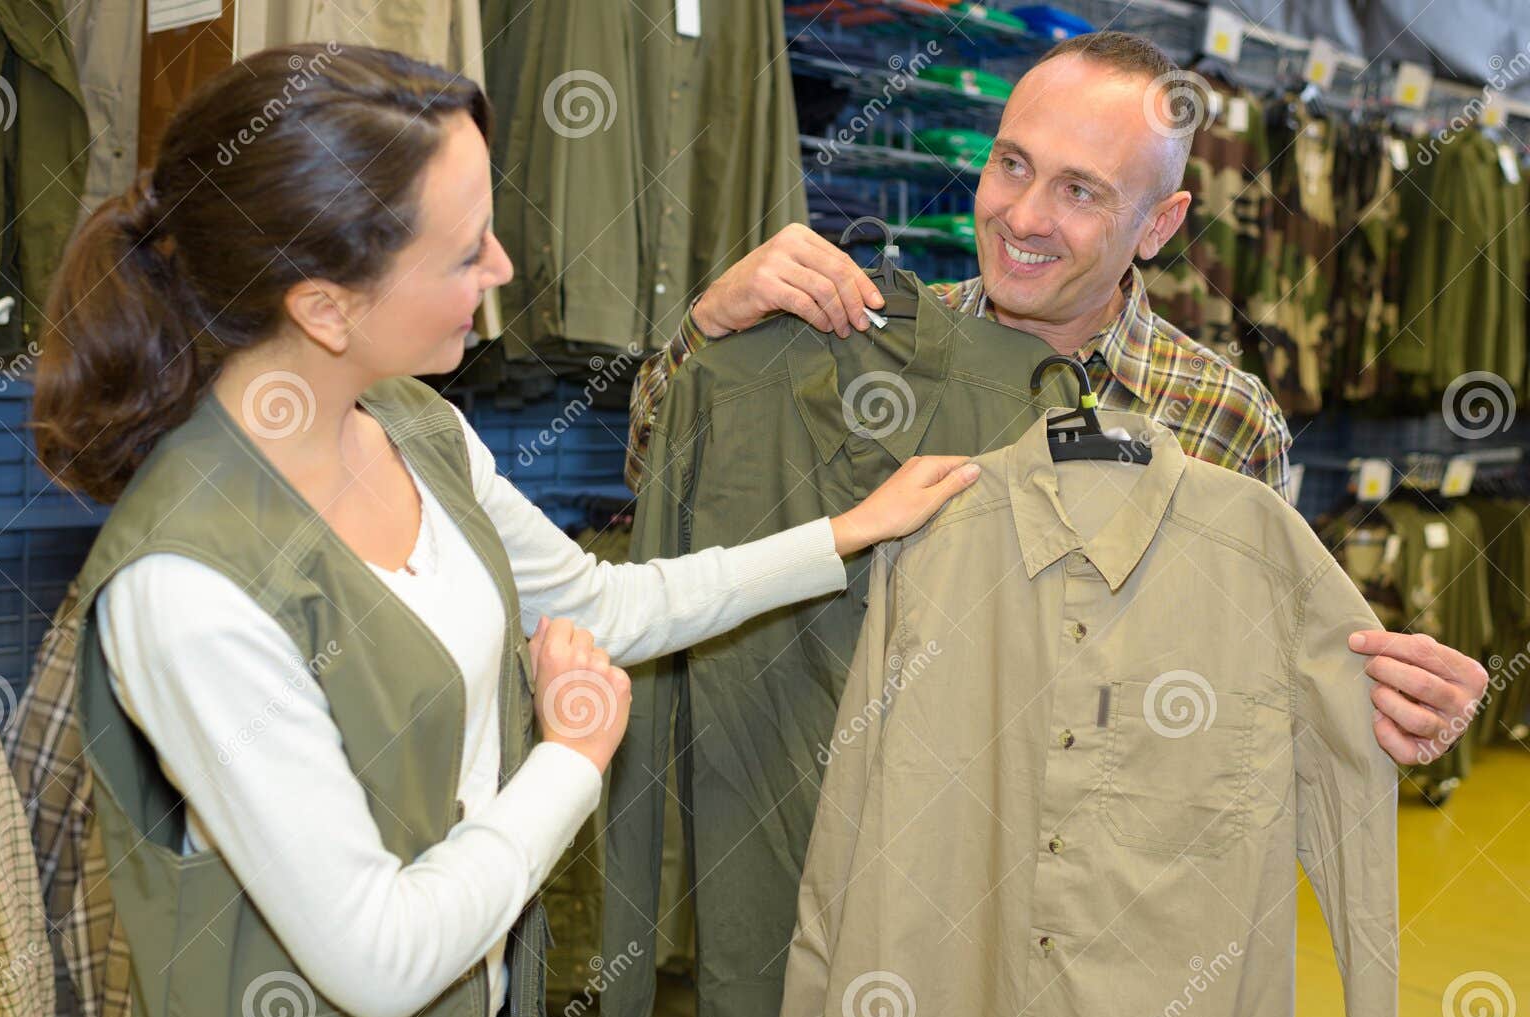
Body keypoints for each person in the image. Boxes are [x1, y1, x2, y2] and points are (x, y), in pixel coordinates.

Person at [30, 44, 979, 1017]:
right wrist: (571, 755)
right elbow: (381, 958)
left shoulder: (417, 430)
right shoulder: (187, 589)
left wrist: (843, 533)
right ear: (324, 306)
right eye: (464, 252)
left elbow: (603, 605)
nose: (503, 271)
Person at [627, 31, 1487, 766]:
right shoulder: (860, 340)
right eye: (1012, 165)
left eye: (1079, 190)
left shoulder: (1224, 419)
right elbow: (667, 490)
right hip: (854, 842)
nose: (1023, 216)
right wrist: (706, 329)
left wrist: (1383, 712)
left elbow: (1239, 685)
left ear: (1159, 225)